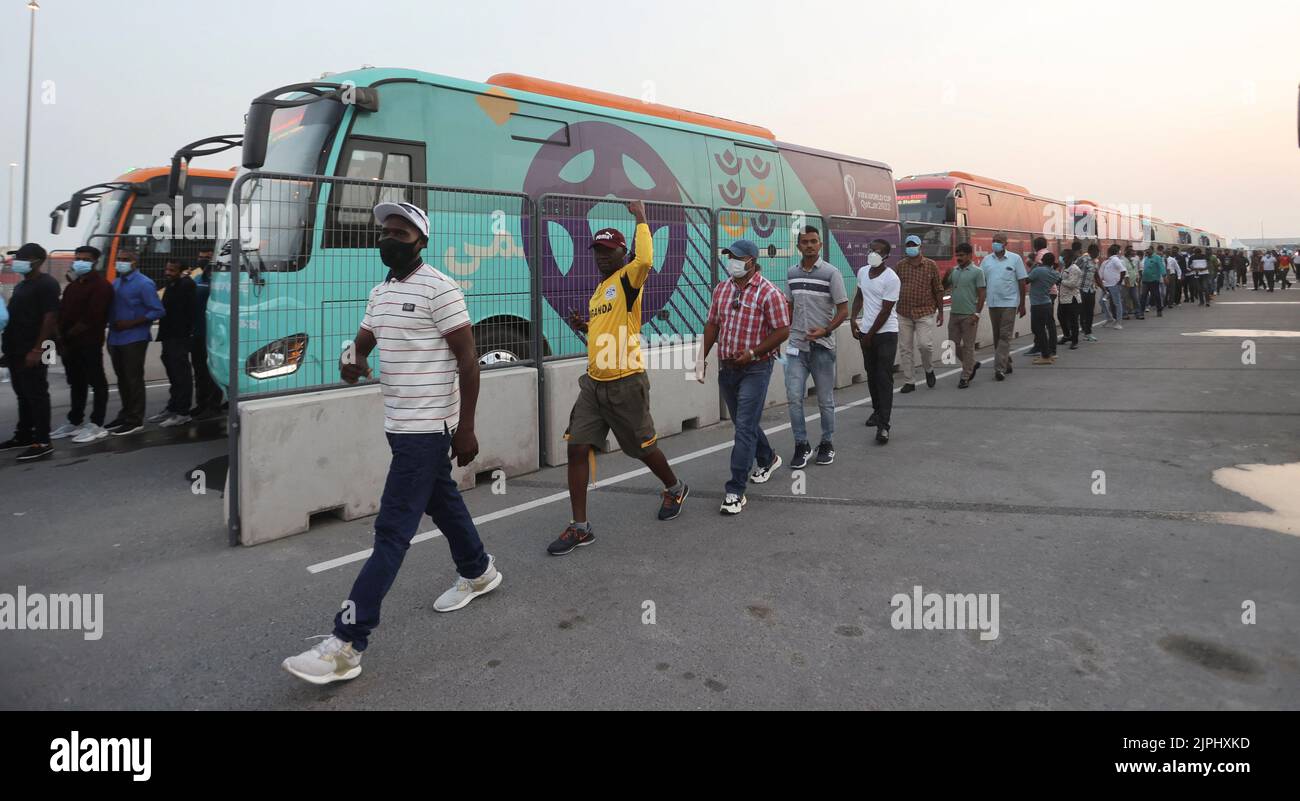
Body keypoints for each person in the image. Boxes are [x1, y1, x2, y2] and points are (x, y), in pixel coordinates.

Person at [282, 201, 501, 685]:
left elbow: (469, 361)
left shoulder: (441, 289)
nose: (389, 239)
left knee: (392, 530)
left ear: (421, 241)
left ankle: (347, 642)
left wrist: (466, 428)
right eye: (385, 231)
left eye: (401, 233)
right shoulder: (379, 292)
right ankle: (478, 569)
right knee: (441, 502)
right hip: (399, 425)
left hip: (428, 428)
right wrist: (351, 359)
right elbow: (362, 342)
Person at [551, 200, 689, 554]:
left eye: (608, 251)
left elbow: (645, 260)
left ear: (622, 253)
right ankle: (580, 527)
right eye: (597, 250)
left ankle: (674, 487)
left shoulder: (629, 278)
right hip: (593, 384)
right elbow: (609, 325)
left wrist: (640, 217)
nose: (601, 256)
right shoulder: (600, 291)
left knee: (642, 449)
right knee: (577, 447)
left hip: (625, 382)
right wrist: (586, 325)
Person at [698, 238, 790, 514]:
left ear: (751, 261)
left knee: (744, 428)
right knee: (744, 422)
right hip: (728, 367)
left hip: (756, 368)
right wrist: (699, 358)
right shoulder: (722, 289)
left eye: (737, 257)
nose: (732, 262)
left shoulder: (768, 293)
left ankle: (735, 490)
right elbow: (713, 323)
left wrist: (752, 353)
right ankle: (768, 457)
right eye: (729, 256)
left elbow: (781, 330)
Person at [783, 226, 848, 467]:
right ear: (799, 246)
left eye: (814, 241)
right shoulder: (791, 273)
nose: (809, 245)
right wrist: (780, 333)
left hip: (822, 347)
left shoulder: (832, 273)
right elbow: (788, 307)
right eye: (805, 242)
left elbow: (843, 310)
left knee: (825, 400)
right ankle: (801, 444)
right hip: (796, 347)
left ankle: (827, 443)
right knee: (793, 397)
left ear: (820, 245)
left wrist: (826, 330)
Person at [0, 243, 60, 461]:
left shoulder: (47, 284)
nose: (18, 261)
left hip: (37, 348)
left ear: (37, 260)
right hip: (17, 348)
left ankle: (43, 441)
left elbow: (50, 317)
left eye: (23, 258)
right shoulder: (23, 285)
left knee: (37, 393)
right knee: (23, 393)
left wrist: (37, 349)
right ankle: (24, 434)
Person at [52, 246, 114, 443]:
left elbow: (93, 317)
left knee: (97, 382)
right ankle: (75, 420)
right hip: (70, 344)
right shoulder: (72, 286)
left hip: (89, 342)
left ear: (95, 262)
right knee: (76, 383)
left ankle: (96, 423)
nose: (79, 262)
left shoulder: (102, 286)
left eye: (85, 259)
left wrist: (67, 335)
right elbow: (62, 313)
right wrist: (59, 337)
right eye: (77, 258)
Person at [105, 250, 164, 437]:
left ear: (134, 263)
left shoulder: (144, 284)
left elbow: (157, 311)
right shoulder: (116, 282)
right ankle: (125, 413)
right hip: (115, 337)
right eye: (119, 259)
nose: (121, 263)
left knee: (133, 378)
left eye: (125, 260)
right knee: (122, 378)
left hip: (134, 338)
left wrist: (132, 323)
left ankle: (135, 419)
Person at [851, 238, 900, 442]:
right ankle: (876, 411)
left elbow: (886, 311)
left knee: (884, 377)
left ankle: (884, 425)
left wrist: (868, 335)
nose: (873, 253)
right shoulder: (863, 272)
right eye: (871, 249)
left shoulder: (892, 278)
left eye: (878, 251)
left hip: (886, 333)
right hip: (866, 332)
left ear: (886, 256)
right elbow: (859, 296)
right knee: (871, 376)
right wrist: (853, 319)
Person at [893, 234, 944, 394]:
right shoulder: (900, 265)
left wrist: (941, 311)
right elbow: (893, 287)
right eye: (908, 245)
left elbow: (938, 289)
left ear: (920, 247)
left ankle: (928, 369)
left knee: (924, 345)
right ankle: (909, 381)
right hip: (904, 311)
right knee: (905, 348)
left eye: (913, 245)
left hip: (925, 311)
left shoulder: (931, 265)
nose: (910, 248)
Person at [151, 258, 197, 428]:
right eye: (167, 269)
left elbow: (188, 313)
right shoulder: (172, 285)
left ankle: (182, 412)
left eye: (172, 270)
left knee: (181, 375)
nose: (168, 273)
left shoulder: (186, 285)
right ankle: (173, 407)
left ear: (182, 271)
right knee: (172, 373)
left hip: (179, 337)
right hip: (168, 336)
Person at [979, 233, 1028, 379]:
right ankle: (1006, 362)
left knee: (1005, 335)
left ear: (1005, 244)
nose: (995, 244)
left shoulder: (1015, 259)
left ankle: (999, 368)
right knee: (997, 336)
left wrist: (1022, 303)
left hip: (1010, 302)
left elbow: (1021, 281)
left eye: (999, 241)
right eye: (994, 241)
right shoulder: (987, 260)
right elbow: (980, 281)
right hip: (993, 303)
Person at [944, 243, 985, 388]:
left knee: (968, 347)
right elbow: (944, 287)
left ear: (969, 255)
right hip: (954, 313)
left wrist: (977, 313)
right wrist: (946, 275)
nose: (959, 258)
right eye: (957, 255)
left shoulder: (977, 272)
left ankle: (965, 376)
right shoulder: (953, 271)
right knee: (952, 344)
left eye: (962, 255)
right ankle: (972, 365)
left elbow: (981, 294)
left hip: (969, 315)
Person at [189, 248, 222, 418]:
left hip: (214, 335)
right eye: (201, 257)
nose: (203, 260)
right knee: (200, 372)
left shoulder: (220, 281)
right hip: (197, 333)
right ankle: (201, 403)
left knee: (212, 373)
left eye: (207, 258)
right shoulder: (196, 279)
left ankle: (213, 404)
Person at [1028, 252, 1062, 364]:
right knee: (1050, 327)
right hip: (1047, 303)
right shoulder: (1055, 273)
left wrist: (1033, 266)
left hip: (1037, 304)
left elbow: (1026, 280)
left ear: (1042, 260)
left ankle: (1045, 355)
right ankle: (1052, 351)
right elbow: (1058, 279)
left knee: (1038, 329)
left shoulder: (1038, 271)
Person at [1057, 250, 1083, 349]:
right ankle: (1067, 335)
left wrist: (1061, 281)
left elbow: (1073, 284)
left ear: (1070, 258)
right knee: (1061, 317)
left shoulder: (1074, 269)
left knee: (1073, 321)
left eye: (1064, 256)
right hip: (1063, 298)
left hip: (1072, 299)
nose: (1062, 258)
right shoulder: (1064, 268)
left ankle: (1074, 340)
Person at [1074, 243, 1101, 340]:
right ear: (1091, 251)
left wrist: (1103, 287)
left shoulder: (1095, 261)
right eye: (1097, 251)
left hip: (1091, 289)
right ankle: (1076, 331)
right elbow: (1073, 269)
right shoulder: (1083, 259)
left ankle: (1088, 332)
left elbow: (1096, 275)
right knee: (1080, 311)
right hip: (1081, 289)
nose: (1098, 253)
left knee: (1089, 312)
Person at [1098, 244, 1127, 330]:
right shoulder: (1107, 261)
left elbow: (1123, 271)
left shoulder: (1115, 259)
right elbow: (1100, 274)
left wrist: (1119, 282)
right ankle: (1109, 318)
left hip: (1114, 285)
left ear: (1109, 252)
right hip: (1106, 286)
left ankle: (1118, 322)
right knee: (1101, 301)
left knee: (1117, 303)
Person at [1141, 247, 1166, 318]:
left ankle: (1159, 310)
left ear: (1152, 250)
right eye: (1146, 250)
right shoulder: (1145, 258)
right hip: (1145, 280)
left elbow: (1161, 267)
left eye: (1148, 250)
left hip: (1154, 280)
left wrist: (1164, 276)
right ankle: (1141, 312)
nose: (1147, 251)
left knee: (1156, 295)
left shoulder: (1157, 258)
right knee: (1143, 296)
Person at [1123, 246, 1141, 320]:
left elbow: (1135, 270)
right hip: (1126, 283)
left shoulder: (1133, 259)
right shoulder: (1123, 260)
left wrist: (1137, 278)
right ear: (1127, 253)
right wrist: (1127, 282)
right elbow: (1125, 272)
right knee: (1125, 299)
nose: (1134, 253)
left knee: (1135, 298)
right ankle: (1124, 313)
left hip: (1133, 283)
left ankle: (1138, 313)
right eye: (1131, 252)